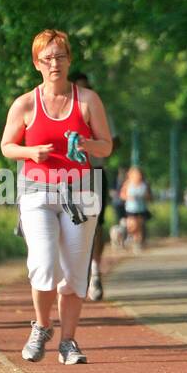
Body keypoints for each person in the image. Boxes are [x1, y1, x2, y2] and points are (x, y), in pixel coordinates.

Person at [0, 30, 113, 365]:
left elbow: (106, 146)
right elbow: (7, 146)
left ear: (69, 60)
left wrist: (87, 143)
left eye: (60, 56)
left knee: (75, 273)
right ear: (37, 63)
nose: (54, 64)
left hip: (80, 194)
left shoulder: (87, 101)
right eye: (47, 58)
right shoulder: (25, 104)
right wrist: (30, 152)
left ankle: (68, 342)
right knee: (44, 263)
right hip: (37, 193)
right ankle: (42, 326)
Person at [69, 71, 118, 300]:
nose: (83, 92)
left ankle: (96, 272)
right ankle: (73, 273)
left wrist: (93, 144)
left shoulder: (98, 110)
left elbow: (114, 142)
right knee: (68, 224)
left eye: (86, 87)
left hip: (94, 172)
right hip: (65, 175)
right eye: (79, 88)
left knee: (96, 224)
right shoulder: (56, 109)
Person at [119, 165, 151, 252]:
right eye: (135, 174)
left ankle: (137, 244)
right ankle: (126, 233)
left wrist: (144, 197)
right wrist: (129, 197)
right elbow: (122, 195)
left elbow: (149, 196)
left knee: (139, 227)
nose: (138, 176)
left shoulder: (144, 184)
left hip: (141, 208)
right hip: (131, 209)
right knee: (133, 226)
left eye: (139, 174)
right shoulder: (128, 183)